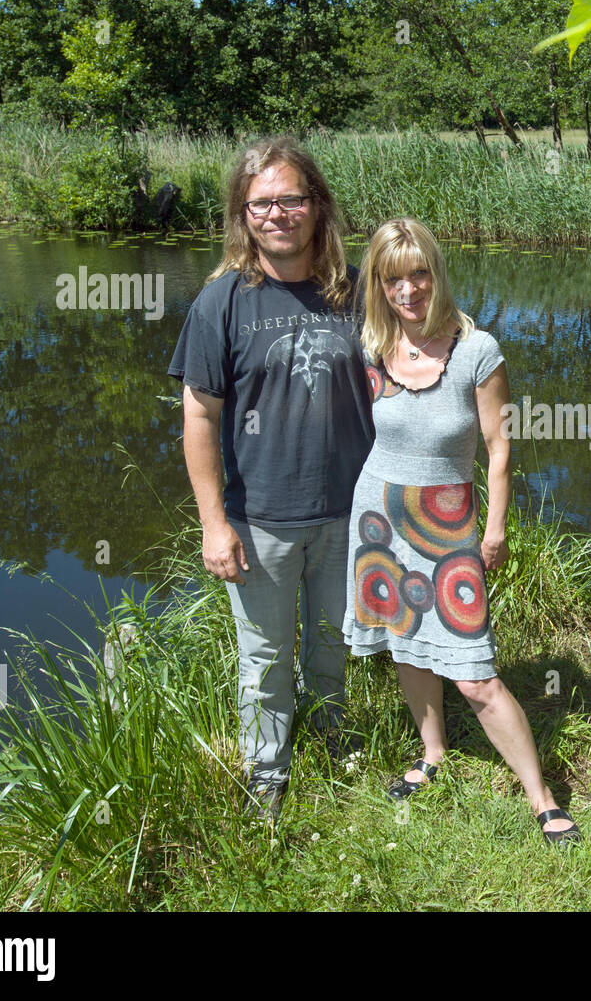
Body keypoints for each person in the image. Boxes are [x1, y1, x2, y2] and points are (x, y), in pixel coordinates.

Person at [342, 217, 580, 845]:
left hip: (448, 523)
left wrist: (493, 527)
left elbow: (499, 447)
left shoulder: (477, 350)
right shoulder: (374, 347)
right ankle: (433, 753)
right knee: (404, 641)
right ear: (380, 284)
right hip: (378, 519)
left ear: (436, 272)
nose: (409, 290)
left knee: (475, 672)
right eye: (394, 278)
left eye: (419, 273)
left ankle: (542, 797)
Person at [168, 137, 373, 822]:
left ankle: (331, 735)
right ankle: (267, 773)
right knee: (262, 658)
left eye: (291, 199)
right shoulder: (221, 302)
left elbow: (415, 365)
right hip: (260, 519)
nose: (278, 214)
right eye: (262, 203)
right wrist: (213, 524)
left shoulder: (358, 290)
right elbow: (199, 416)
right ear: (242, 213)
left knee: (332, 640)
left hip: (350, 512)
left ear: (317, 206)